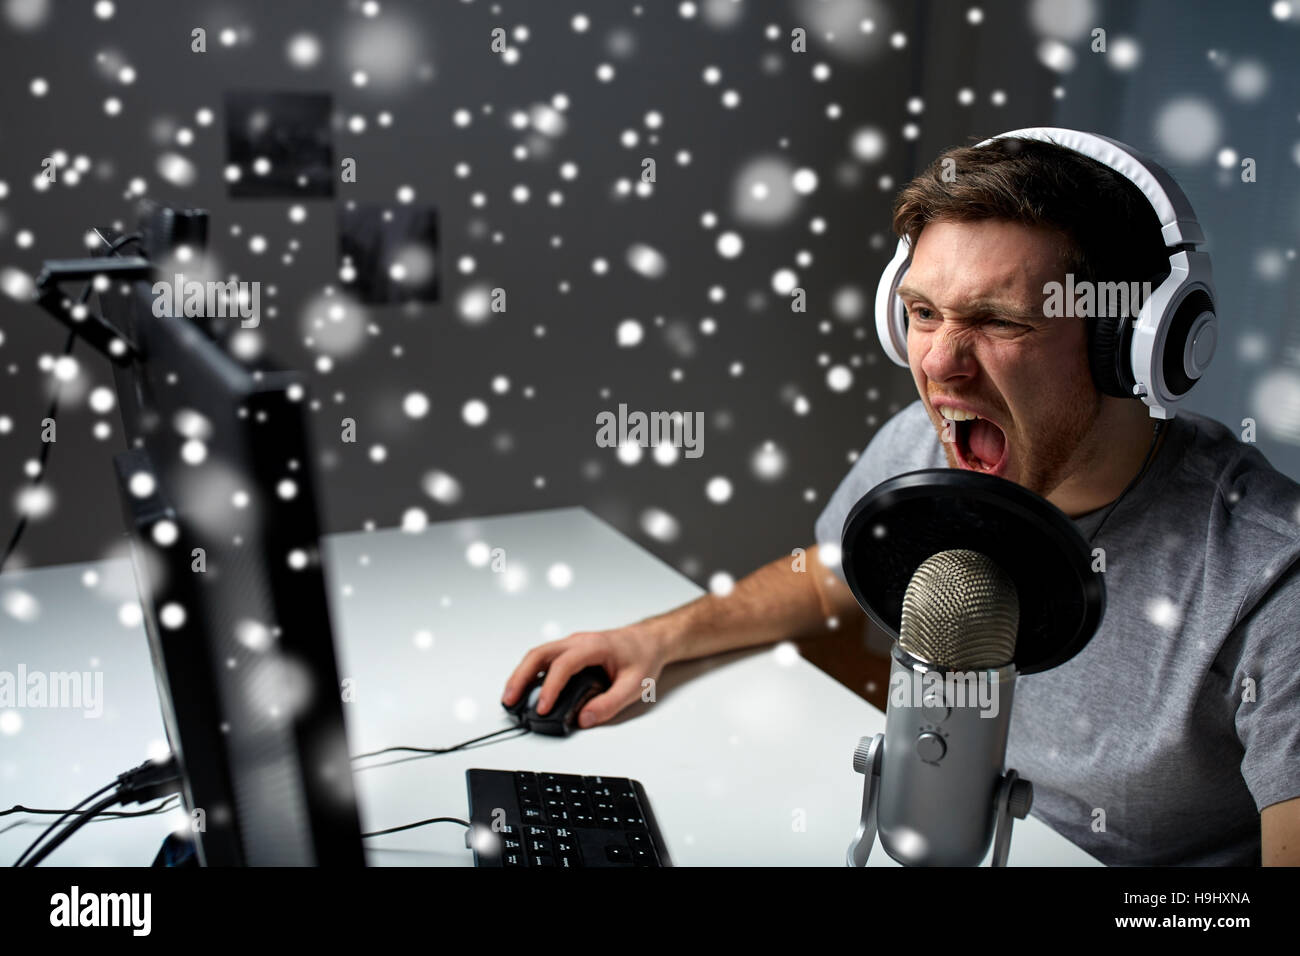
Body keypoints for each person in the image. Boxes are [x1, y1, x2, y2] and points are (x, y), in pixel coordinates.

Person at [502, 134, 1300, 866]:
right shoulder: (928, 446)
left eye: (998, 321)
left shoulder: (1271, 577)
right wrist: (658, 640)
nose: (942, 367)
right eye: (923, 314)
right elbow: (825, 577)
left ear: (1131, 344)